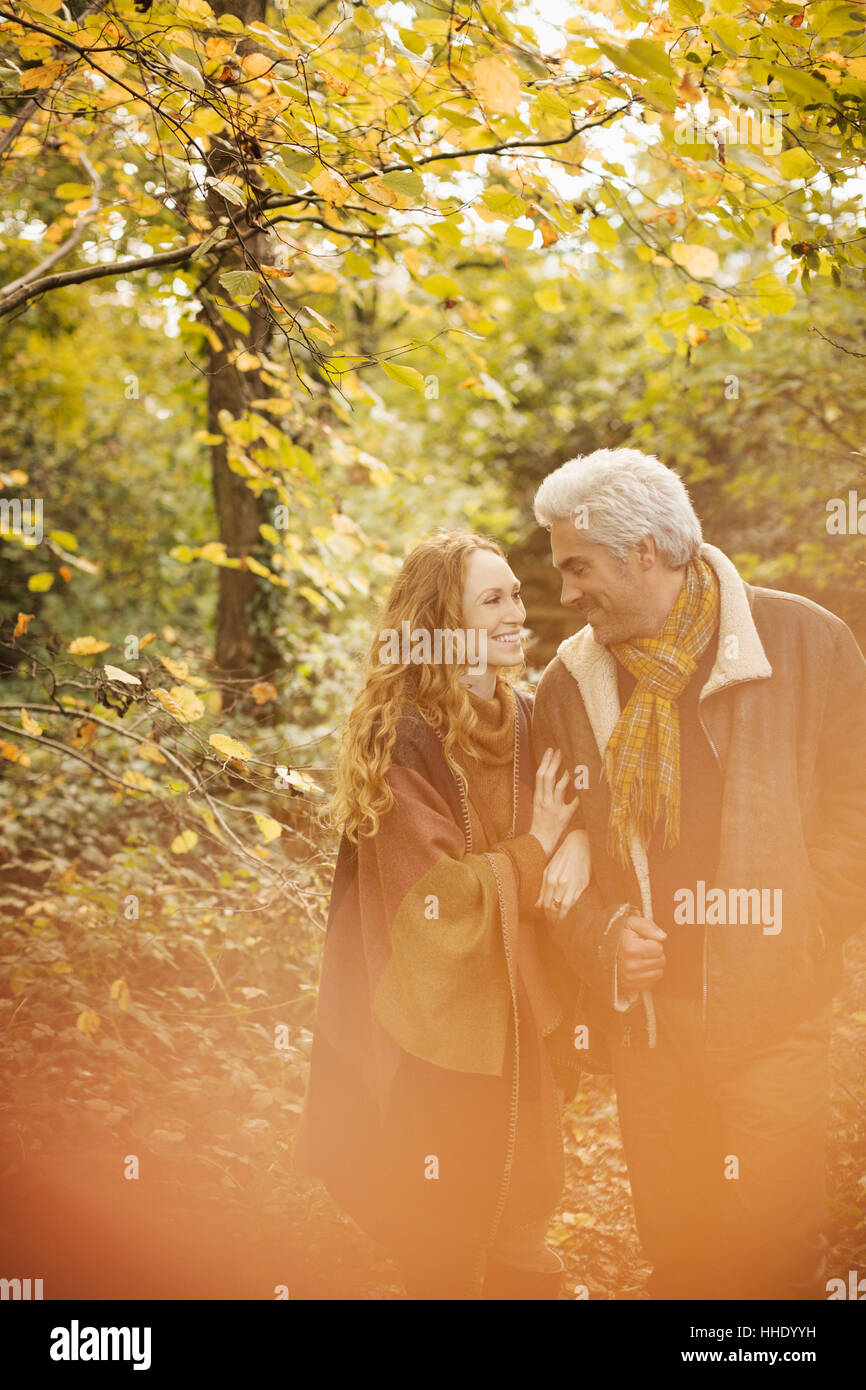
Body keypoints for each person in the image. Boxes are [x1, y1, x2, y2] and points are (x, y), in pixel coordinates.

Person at [530, 447, 866, 1300]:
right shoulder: (570, 683)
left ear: (644, 551)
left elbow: (854, 805)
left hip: (775, 1010)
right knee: (681, 1253)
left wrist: (812, 919)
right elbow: (548, 853)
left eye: (579, 566)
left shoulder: (807, 641)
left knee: (775, 1255)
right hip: (652, 1029)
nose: (566, 592)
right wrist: (600, 937)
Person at [293, 530, 592, 1299]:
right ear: (441, 625)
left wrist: (577, 842)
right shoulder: (403, 738)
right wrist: (540, 847)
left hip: (524, 1022)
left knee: (525, 1224)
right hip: (434, 1037)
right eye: (491, 600)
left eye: (516, 595)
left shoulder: (529, 719)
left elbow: (591, 816)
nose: (515, 612)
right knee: (445, 1238)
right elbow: (434, 910)